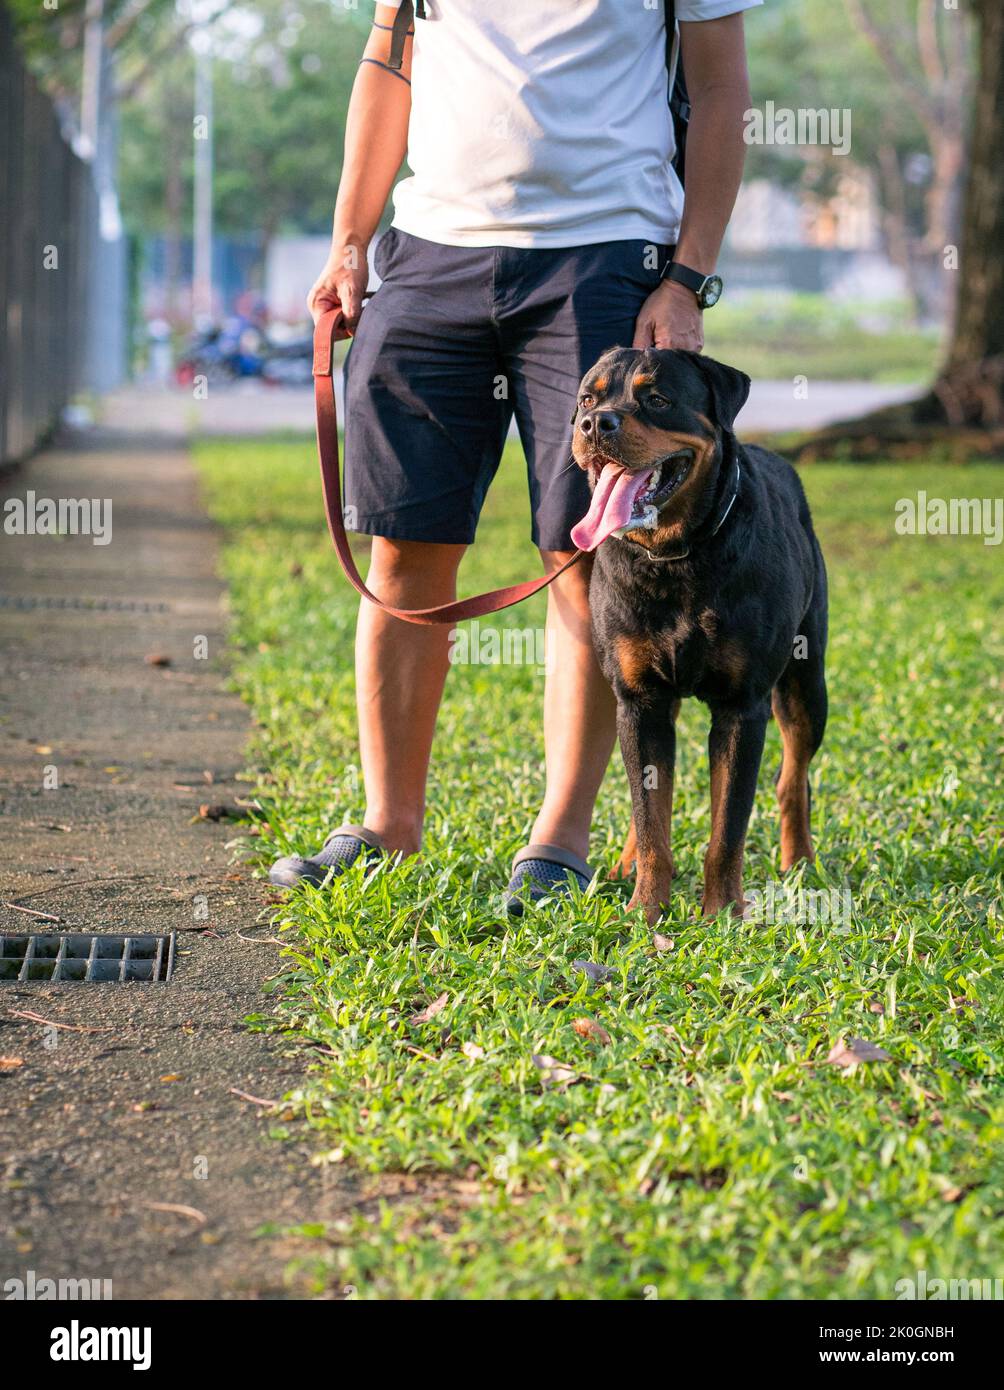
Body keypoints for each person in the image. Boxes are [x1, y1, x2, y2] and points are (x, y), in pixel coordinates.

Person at [270, 0, 760, 910]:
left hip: (603, 258)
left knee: (582, 557)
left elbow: (723, 86)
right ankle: (387, 827)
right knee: (403, 551)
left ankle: (558, 845)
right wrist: (348, 242)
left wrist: (687, 274)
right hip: (426, 260)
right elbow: (388, 67)